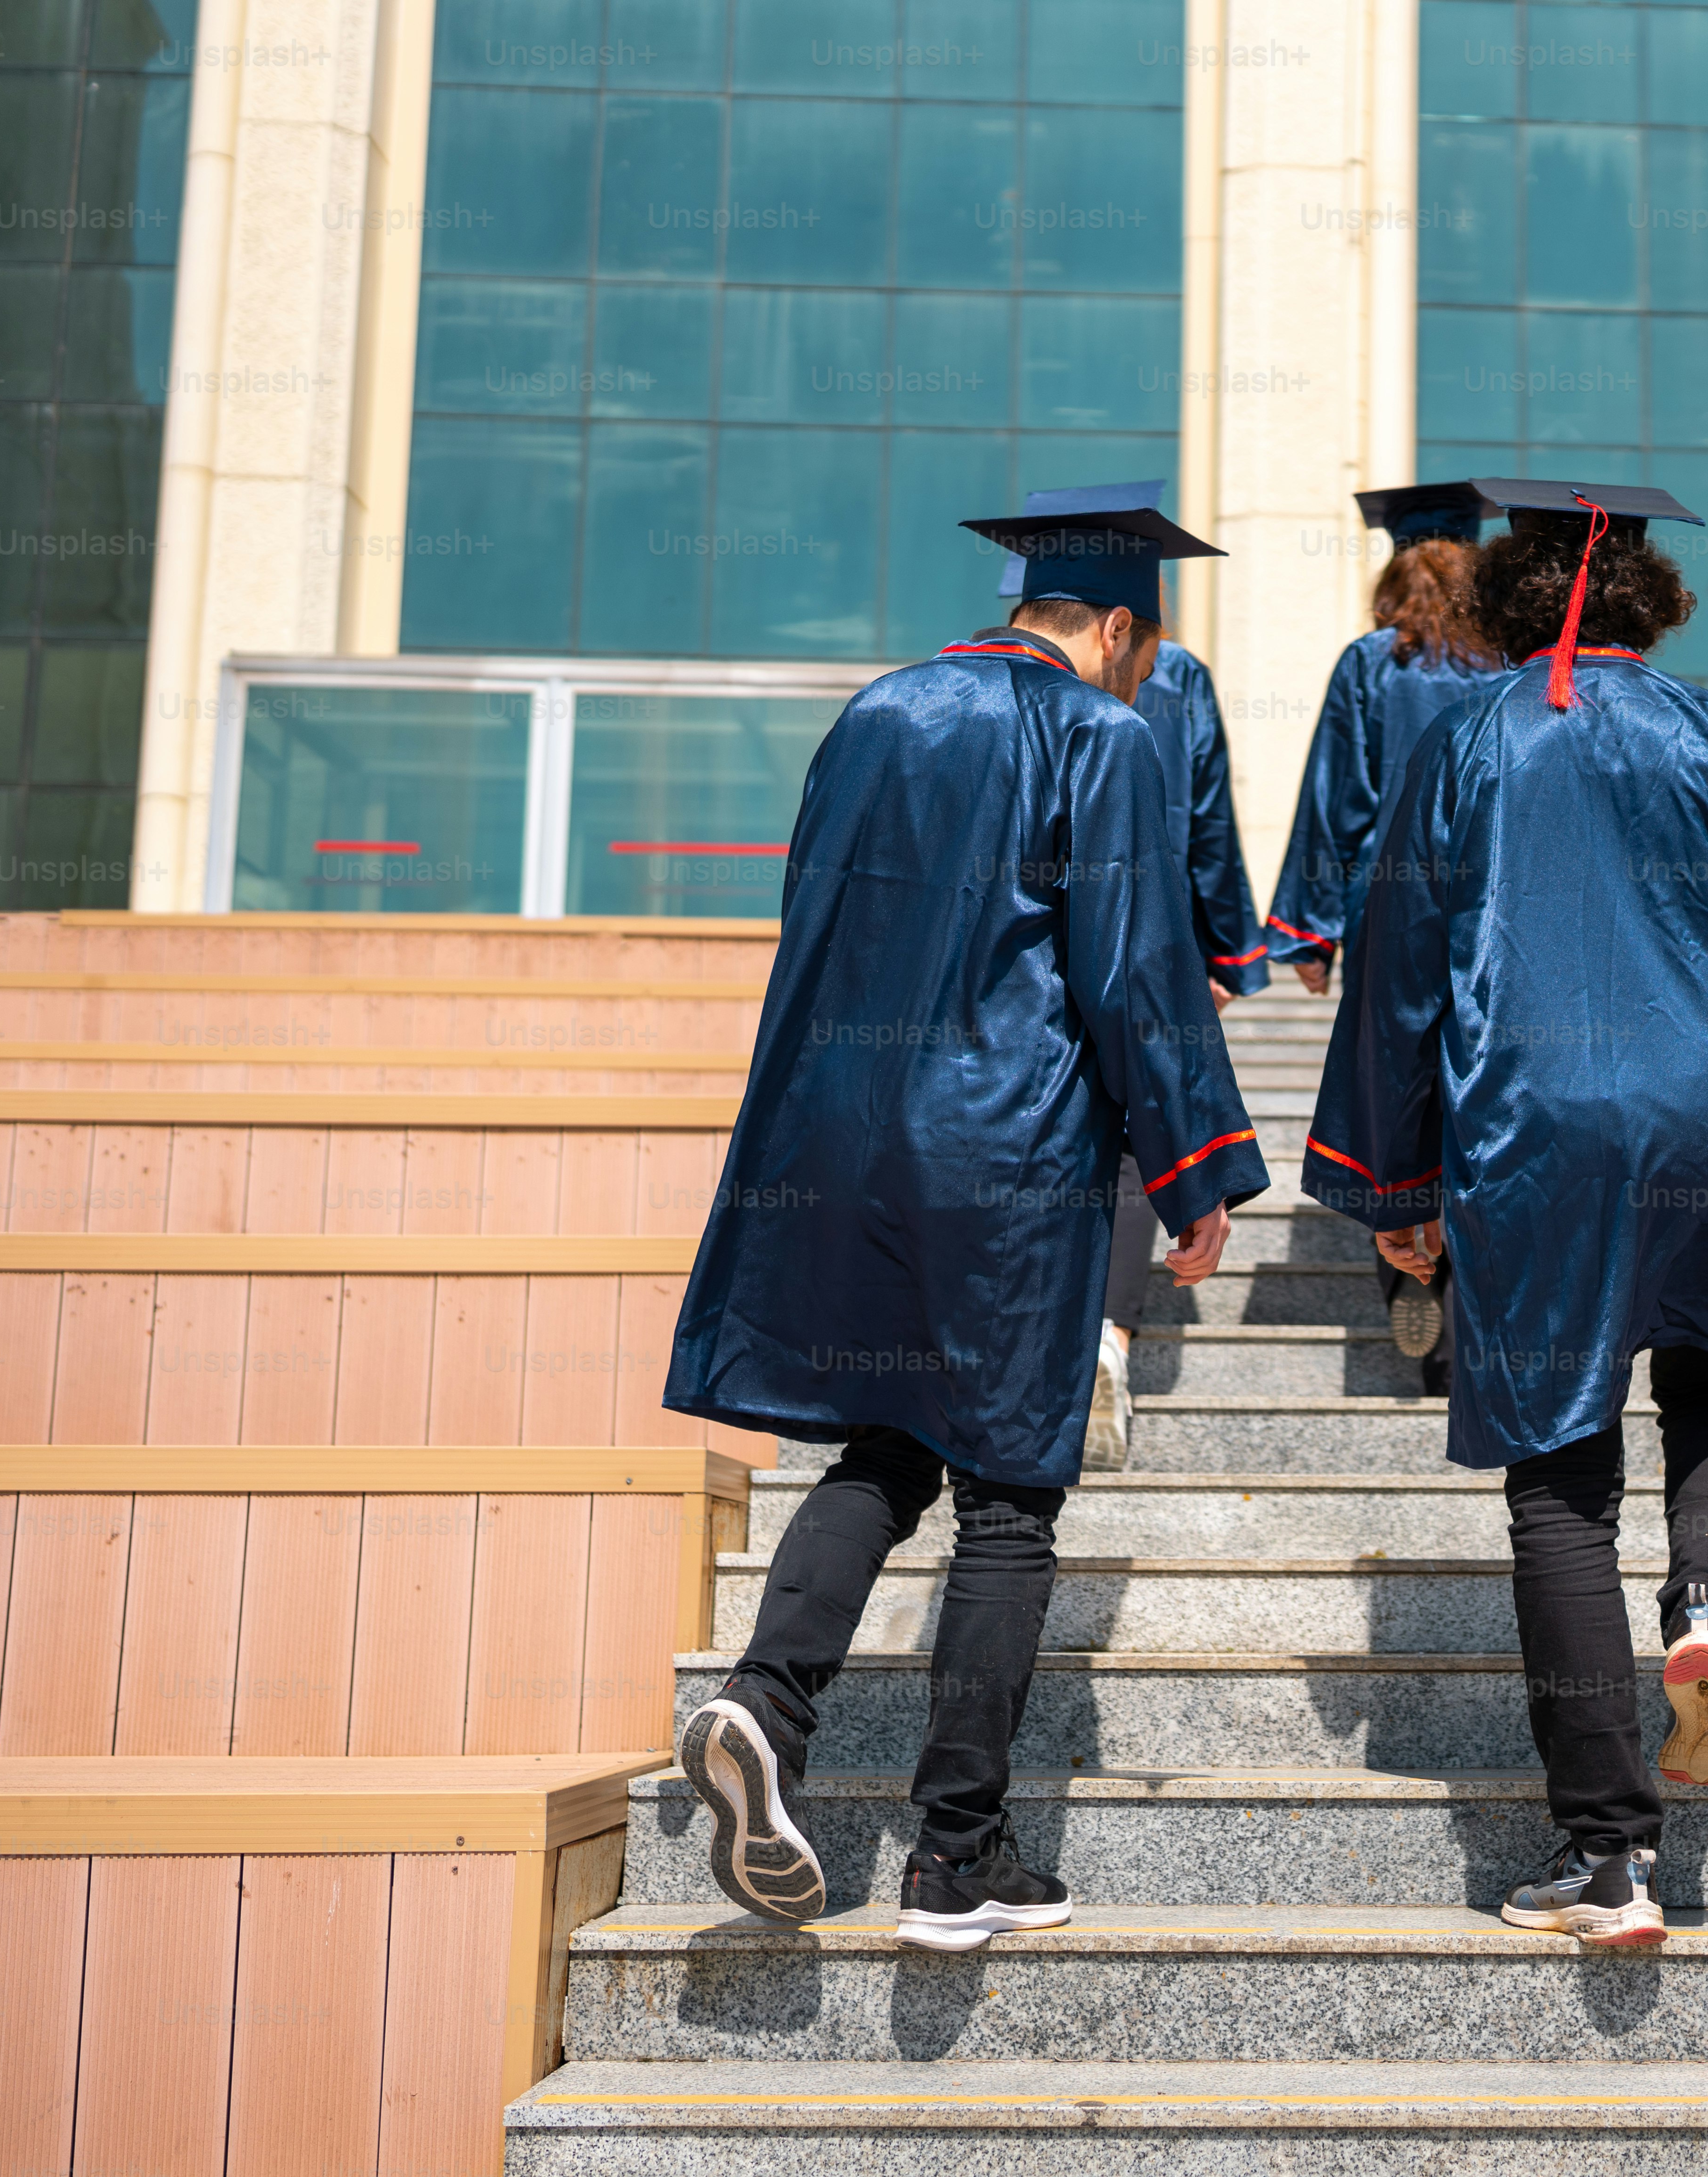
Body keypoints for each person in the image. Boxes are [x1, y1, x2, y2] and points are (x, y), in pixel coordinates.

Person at [666, 503, 1267, 1951]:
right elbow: (1130, 970)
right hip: (1008, 1150)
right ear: (1118, 630)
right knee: (1007, 1489)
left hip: (846, 1134)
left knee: (885, 1435)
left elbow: (817, 929)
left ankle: (765, 1701)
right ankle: (957, 1857)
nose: (1140, 679)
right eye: (1144, 653)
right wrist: (1193, 1172)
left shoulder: (876, 714)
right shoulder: (1108, 739)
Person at [1301, 477, 1708, 1950]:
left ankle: (1609, 1858)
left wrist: (1395, 1182)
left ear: (1506, 606)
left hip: (1538, 1120)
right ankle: (1704, 1605)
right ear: (1650, 605)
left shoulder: (1459, 741)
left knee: (1557, 1486)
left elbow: (1401, 966)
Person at [994, 484, 1276, 1465]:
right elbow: (1202, 820)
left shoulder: (949, 697)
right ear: (1124, 626)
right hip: (1128, 940)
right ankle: (1108, 1337)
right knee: (1118, 1128)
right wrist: (1228, 950)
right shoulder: (1167, 684)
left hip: (994, 984)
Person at [1263, 482, 1506, 1394]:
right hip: (1497, 907)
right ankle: (1481, 1310)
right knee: (1480, 1092)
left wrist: (1309, 931)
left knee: (1396, 1089)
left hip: (1391, 907)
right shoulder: (1515, 663)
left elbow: (1338, 800)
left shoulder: (1371, 664)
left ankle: (1414, 1287)